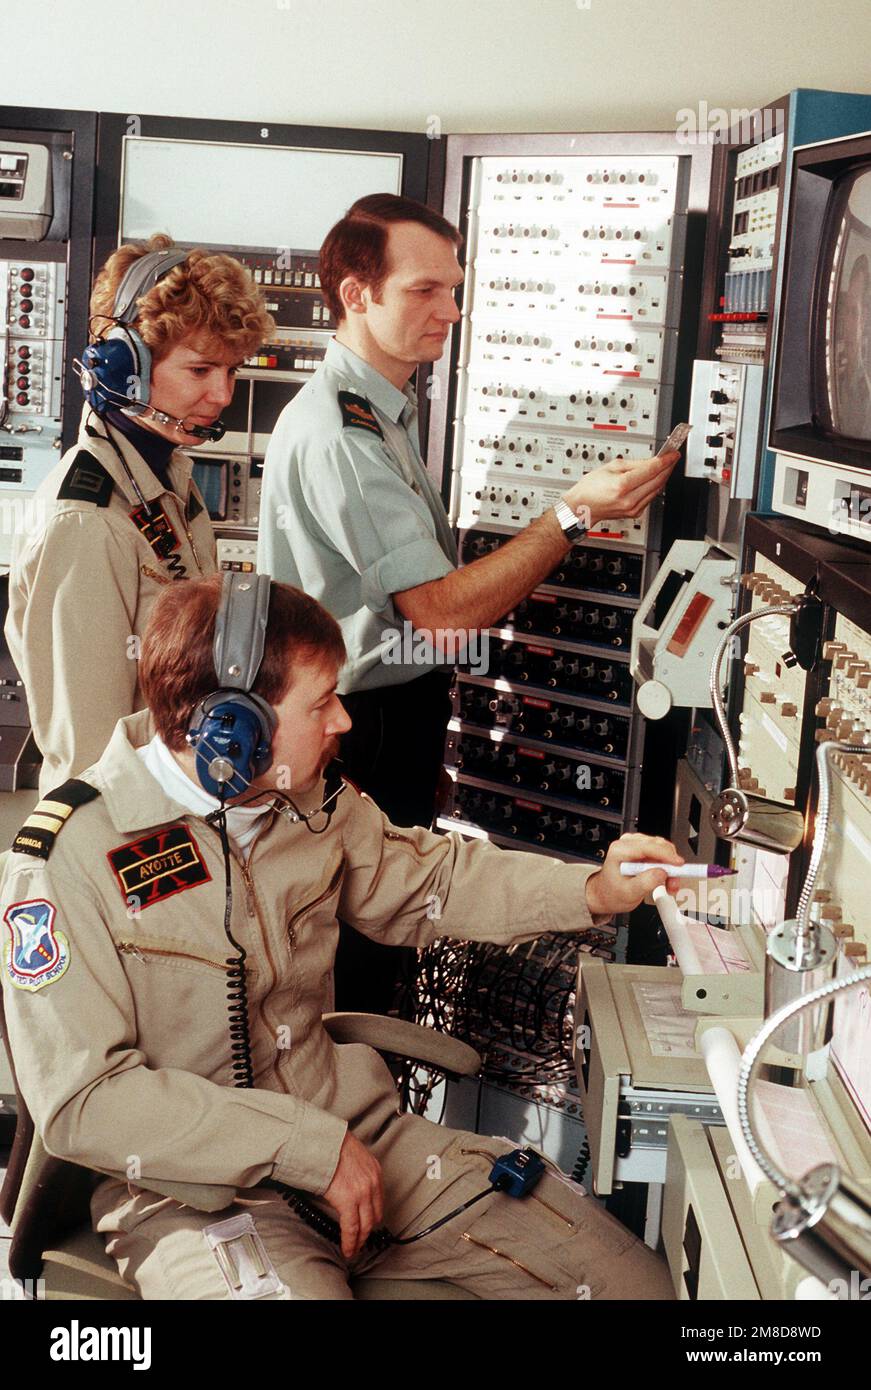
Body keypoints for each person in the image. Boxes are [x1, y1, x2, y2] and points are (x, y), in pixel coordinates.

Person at [0, 572, 684, 1301]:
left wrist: (590, 889)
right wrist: (302, 1148)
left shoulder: (308, 796)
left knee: (632, 1287)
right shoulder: (69, 858)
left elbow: (428, 882)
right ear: (232, 723)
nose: (343, 723)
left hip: (366, 1143)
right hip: (190, 1196)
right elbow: (84, 1102)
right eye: (321, 703)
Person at [257, 193, 679, 1008]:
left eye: (455, 288)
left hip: (388, 715)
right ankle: (354, 1118)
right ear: (355, 292)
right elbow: (441, 616)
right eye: (424, 290)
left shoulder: (384, 412)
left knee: (383, 949)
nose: (451, 310)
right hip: (359, 730)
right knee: (365, 968)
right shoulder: (343, 433)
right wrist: (572, 513)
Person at [5, 232, 274, 795]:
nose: (223, 394)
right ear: (124, 364)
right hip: (124, 831)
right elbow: (89, 751)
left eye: (232, 371)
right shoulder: (86, 521)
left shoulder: (170, 482)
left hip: (183, 795)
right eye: (201, 371)